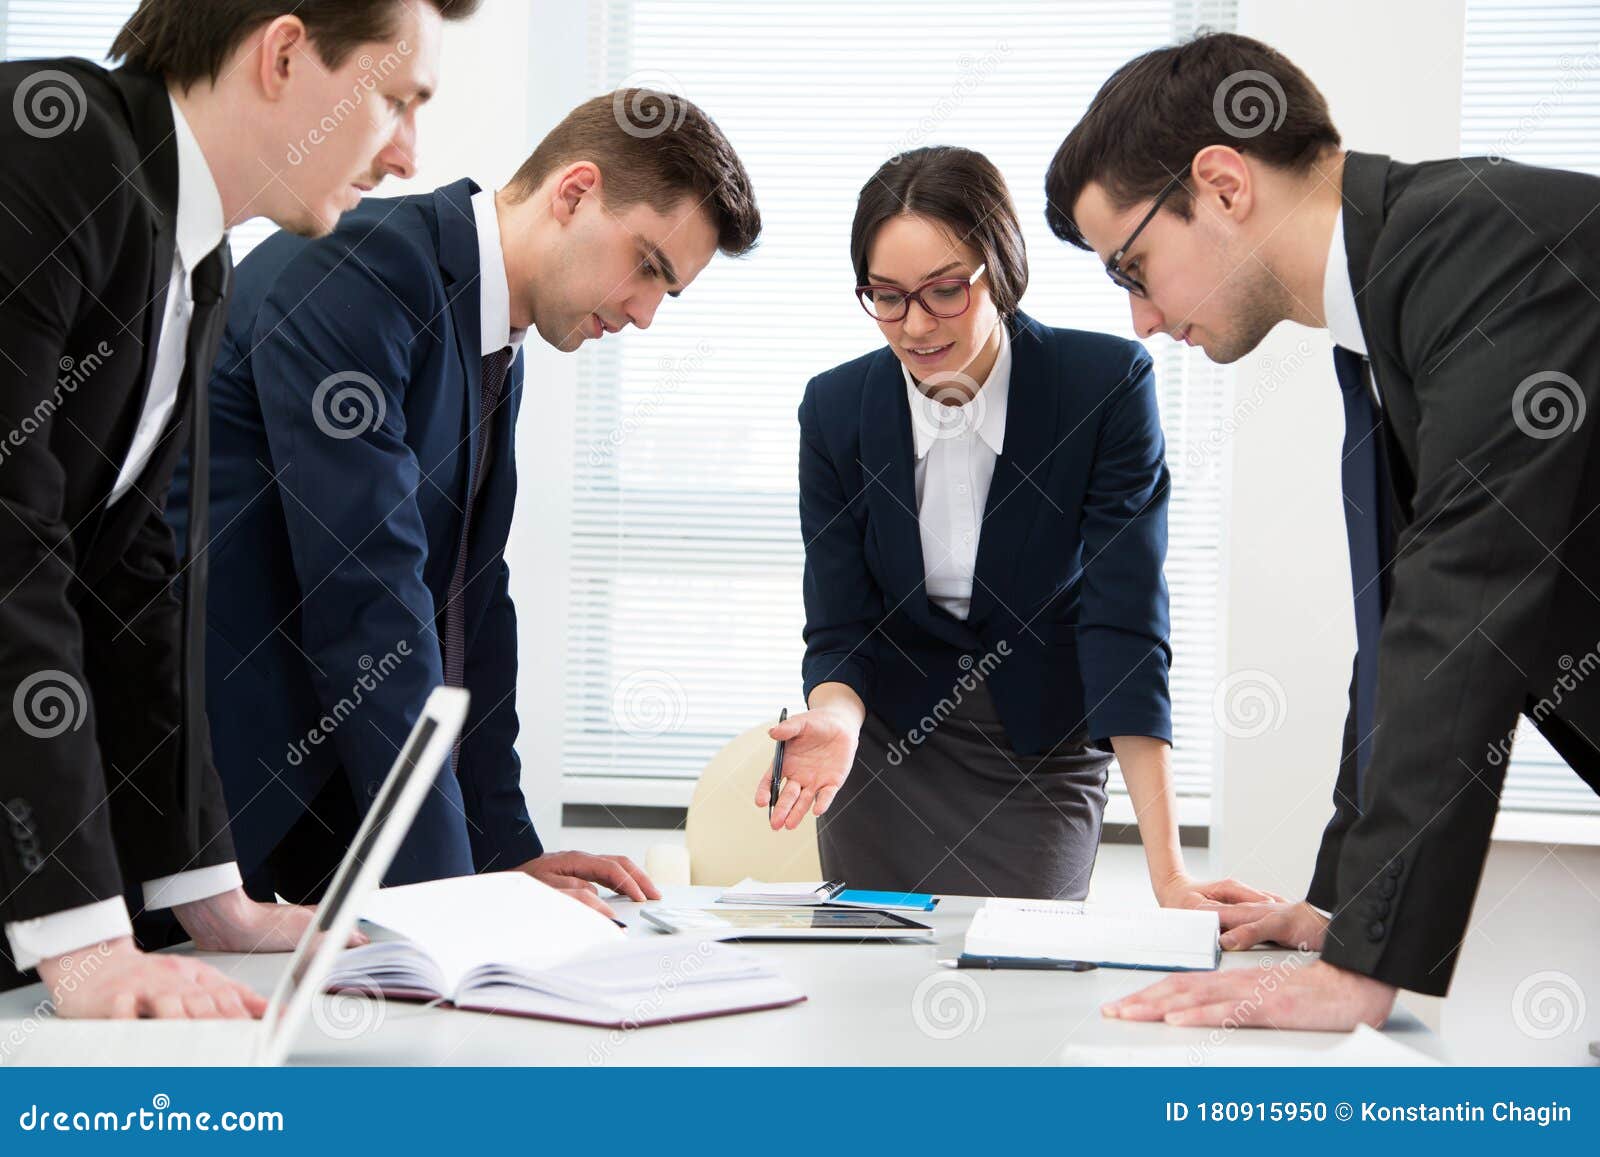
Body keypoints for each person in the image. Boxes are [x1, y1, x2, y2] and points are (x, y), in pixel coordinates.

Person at [1046, 31, 1600, 1030]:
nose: (1138, 318)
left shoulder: (1488, 250)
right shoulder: (1390, 311)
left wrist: (1360, 968)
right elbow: (1402, 628)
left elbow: (1463, 601)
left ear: (1220, 183)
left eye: (1132, 266)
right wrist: (1337, 909)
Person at [169, 92, 761, 916]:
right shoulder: (361, 274)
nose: (644, 315)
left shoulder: (489, 342)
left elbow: (466, 612)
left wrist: (506, 860)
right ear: (575, 192)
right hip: (178, 809)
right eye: (648, 267)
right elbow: (372, 603)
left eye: (669, 292)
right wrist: (460, 904)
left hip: (303, 829)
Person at [0, 0, 479, 1017]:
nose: (406, 155)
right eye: (394, 102)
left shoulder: (194, 258)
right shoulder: (47, 149)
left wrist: (211, 896)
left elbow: (136, 584)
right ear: (285, 53)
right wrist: (84, 941)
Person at [759, 146, 1278, 910]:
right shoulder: (835, 409)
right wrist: (834, 719)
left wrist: (1169, 871)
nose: (916, 325)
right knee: (871, 988)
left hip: (1042, 750)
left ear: (999, 270)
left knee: (1023, 982)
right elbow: (842, 624)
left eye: (944, 291)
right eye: (887, 297)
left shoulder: (1101, 388)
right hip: (886, 755)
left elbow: (1123, 624)